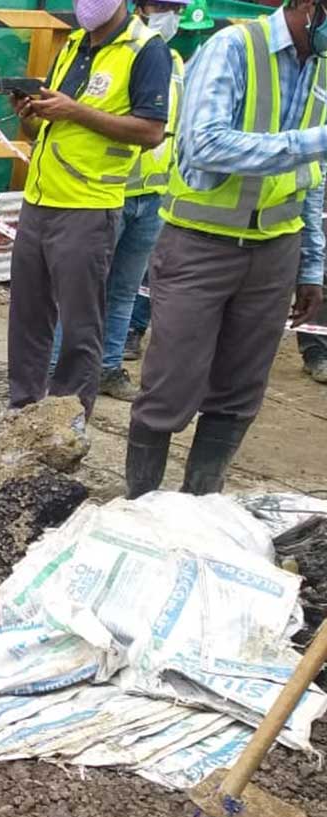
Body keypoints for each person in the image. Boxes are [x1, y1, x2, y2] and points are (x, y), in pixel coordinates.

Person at [126, 0, 327, 497]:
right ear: (309, 6)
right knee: (171, 385)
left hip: (275, 252)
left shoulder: (321, 68)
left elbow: (313, 177)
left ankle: (202, 501)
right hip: (199, 244)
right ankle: (139, 507)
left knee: (239, 392)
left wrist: (311, 265)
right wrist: (313, 141)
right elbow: (205, 145)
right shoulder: (234, 48)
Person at [6, 0, 171, 418]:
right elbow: (46, 127)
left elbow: (152, 131)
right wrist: (29, 114)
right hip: (40, 198)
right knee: (27, 316)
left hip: (89, 206)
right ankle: (22, 410)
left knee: (80, 324)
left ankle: (69, 418)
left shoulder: (146, 48)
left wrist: (75, 111)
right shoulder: (73, 44)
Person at [51, 0, 191, 402]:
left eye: (178, 9)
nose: (172, 15)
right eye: (167, 6)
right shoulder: (108, 53)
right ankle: (58, 373)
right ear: (143, 6)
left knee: (125, 291)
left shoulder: (173, 62)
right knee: (81, 294)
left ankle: (109, 367)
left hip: (153, 195)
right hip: (107, 192)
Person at [124, 0, 213, 363]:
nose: (181, 30)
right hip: (119, 188)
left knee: (145, 275)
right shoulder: (141, 54)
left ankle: (126, 339)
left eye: (182, 18)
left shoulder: (185, 63)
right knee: (107, 285)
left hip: (168, 186)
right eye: (169, 10)